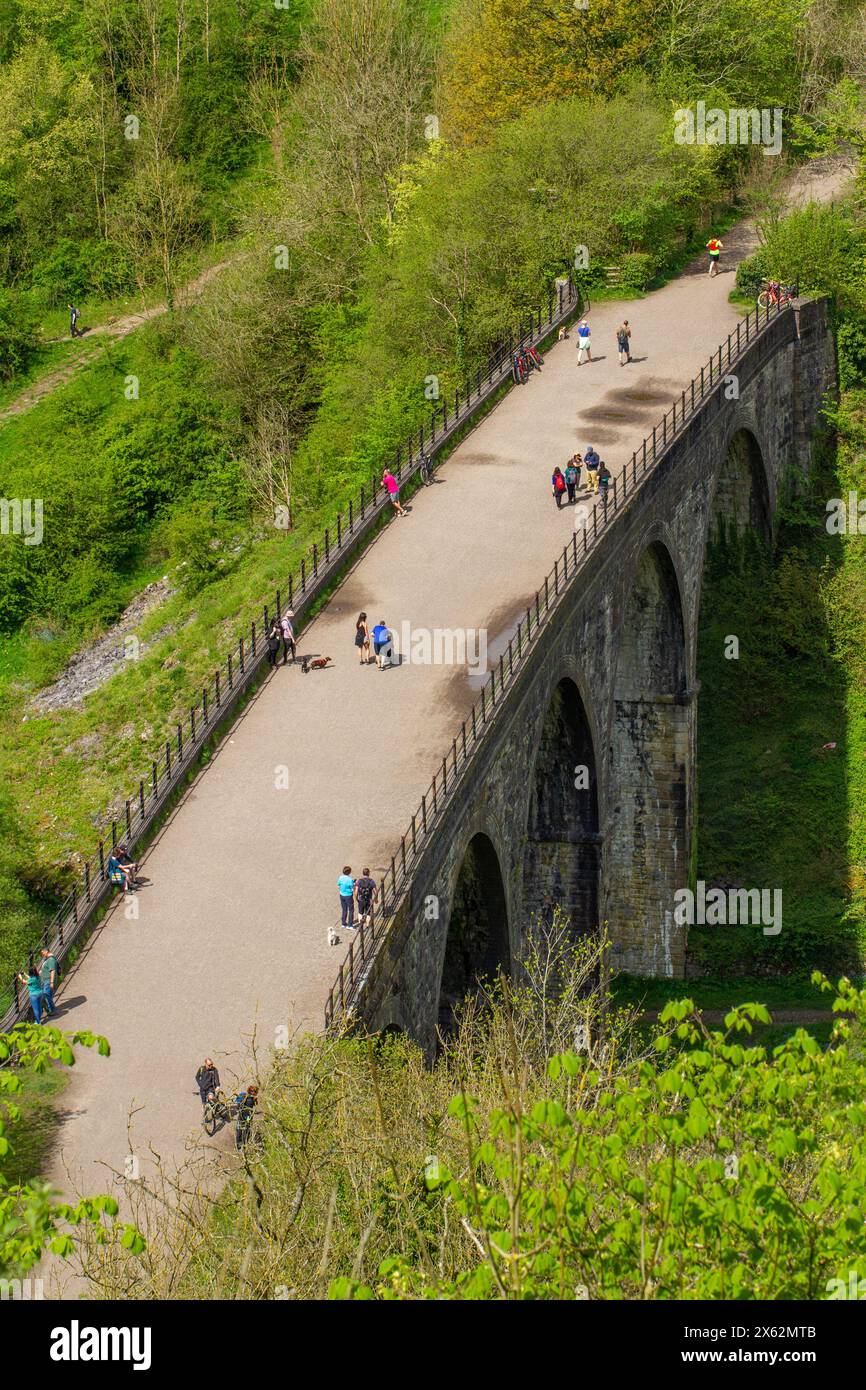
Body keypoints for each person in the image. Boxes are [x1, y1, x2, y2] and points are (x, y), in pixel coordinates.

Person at [234, 1083, 258, 1150]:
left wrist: (255, 1100)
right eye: (252, 1091)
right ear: (249, 1091)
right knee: (240, 1130)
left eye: (255, 1092)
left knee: (246, 1130)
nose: (253, 1093)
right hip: (243, 1115)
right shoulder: (244, 1096)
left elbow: (254, 1105)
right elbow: (238, 1103)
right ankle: (239, 1144)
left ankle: (244, 1144)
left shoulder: (252, 1098)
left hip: (248, 1116)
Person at [39, 948, 58, 1016]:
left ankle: (52, 1010)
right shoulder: (47, 960)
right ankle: (49, 1010)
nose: (42, 954)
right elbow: (44, 970)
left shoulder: (51, 960)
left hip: (48, 980)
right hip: (45, 981)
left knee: (46, 994)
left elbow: (52, 970)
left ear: (46, 951)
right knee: (44, 996)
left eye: (42, 953)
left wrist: (52, 982)